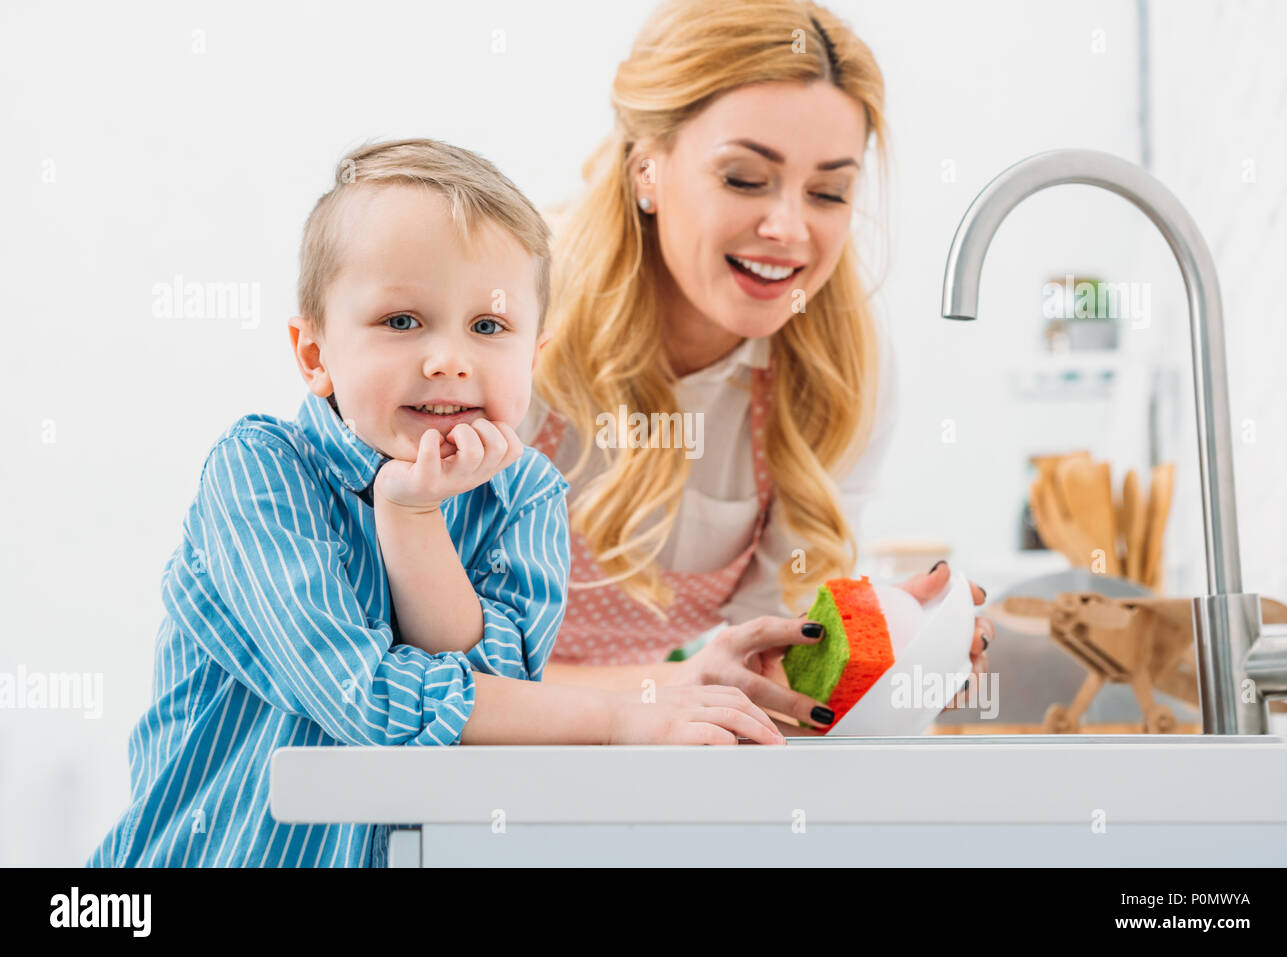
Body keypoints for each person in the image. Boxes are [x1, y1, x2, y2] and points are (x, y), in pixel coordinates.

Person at [88, 138, 783, 869]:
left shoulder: (528, 495)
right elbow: (369, 701)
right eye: (401, 321)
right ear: (315, 355)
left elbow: (489, 714)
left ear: (533, 356)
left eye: (488, 327)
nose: (448, 357)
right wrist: (614, 716)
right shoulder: (259, 474)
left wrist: (414, 520)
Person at [522, 0, 994, 732]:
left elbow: (748, 671)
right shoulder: (512, 319)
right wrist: (671, 690)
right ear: (647, 169)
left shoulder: (838, 373)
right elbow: (405, 661)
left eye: (828, 192)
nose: (788, 228)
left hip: (639, 766)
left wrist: (883, 650)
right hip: (436, 768)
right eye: (744, 178)